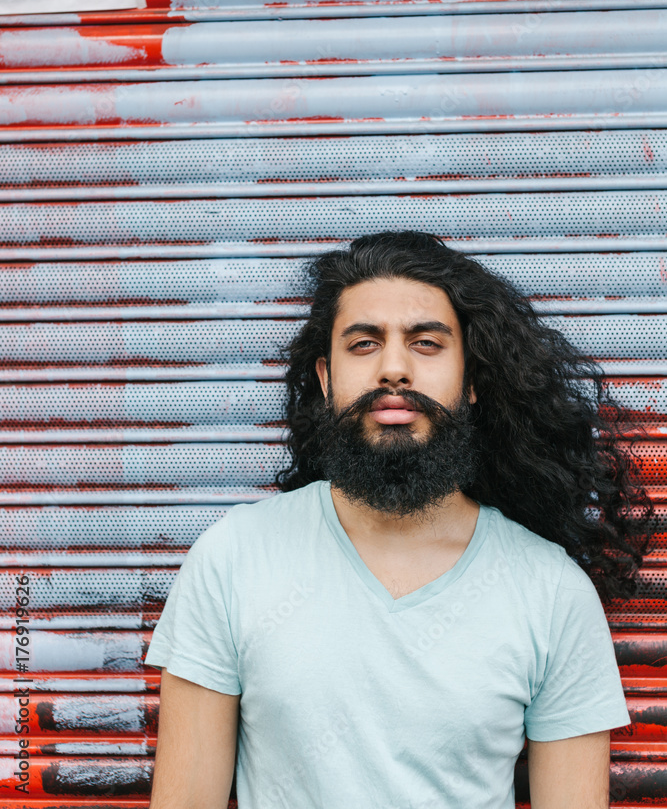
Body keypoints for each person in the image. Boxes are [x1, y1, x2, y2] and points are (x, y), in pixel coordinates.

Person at [146, 230, 652, 809]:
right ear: (325, 378)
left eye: (427, 343)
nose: (393, 369)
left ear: (471, 383)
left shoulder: (552, 592)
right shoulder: (233, 559)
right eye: (363, 344)